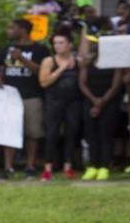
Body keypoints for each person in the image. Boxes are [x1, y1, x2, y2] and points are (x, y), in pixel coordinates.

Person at [0, 18, 50, 179]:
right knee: (9, 133)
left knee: (32, 133)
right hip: (10, 97)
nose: (8, 31)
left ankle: (30, 166)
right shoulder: (6, 49)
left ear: (23, 31)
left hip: (32, 96)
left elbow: (41, 72)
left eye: (12, 28)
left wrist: (22, 59)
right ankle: (8, 168)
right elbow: (1, 68)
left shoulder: (40, 50)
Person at [39, 32, 83, 181]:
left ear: (70, 44)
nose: (57, 46)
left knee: (71, 133)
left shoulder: (78, 61)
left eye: (61, 42)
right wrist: (61, 68)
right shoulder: (49, 61)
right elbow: (44, 82)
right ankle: (47, 168)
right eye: (55, 43)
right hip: (54, 101)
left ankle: (68, 167)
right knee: (52, 134)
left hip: (73, 102)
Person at [79, 39, 124, 181]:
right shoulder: (88, 63)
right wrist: (94, 101)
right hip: (90, 102)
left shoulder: (116, 64)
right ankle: (92, 166)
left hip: (109, 102)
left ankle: (104, 167)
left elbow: (115, 86)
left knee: (106, 135)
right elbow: (82, 83)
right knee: (91, 135)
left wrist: (101, 103)